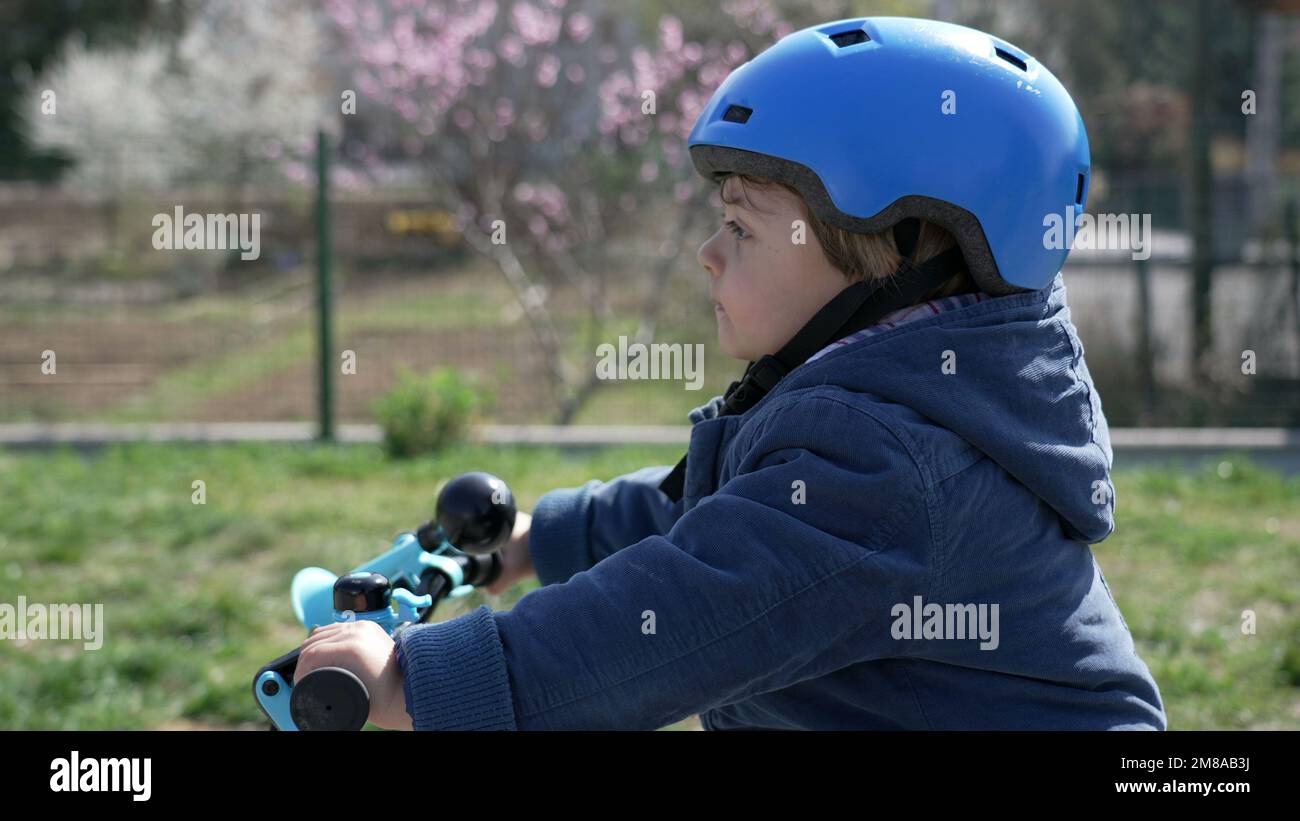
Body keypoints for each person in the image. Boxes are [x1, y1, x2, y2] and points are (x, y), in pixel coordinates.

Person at [295, 16, 1167, 731]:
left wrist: (417, 682)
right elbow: (715, 513)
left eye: (743, 227)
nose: (709, 256)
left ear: (889, 258)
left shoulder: (892, 466)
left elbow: (668, 624)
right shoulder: (894, 403)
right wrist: (540, 537)